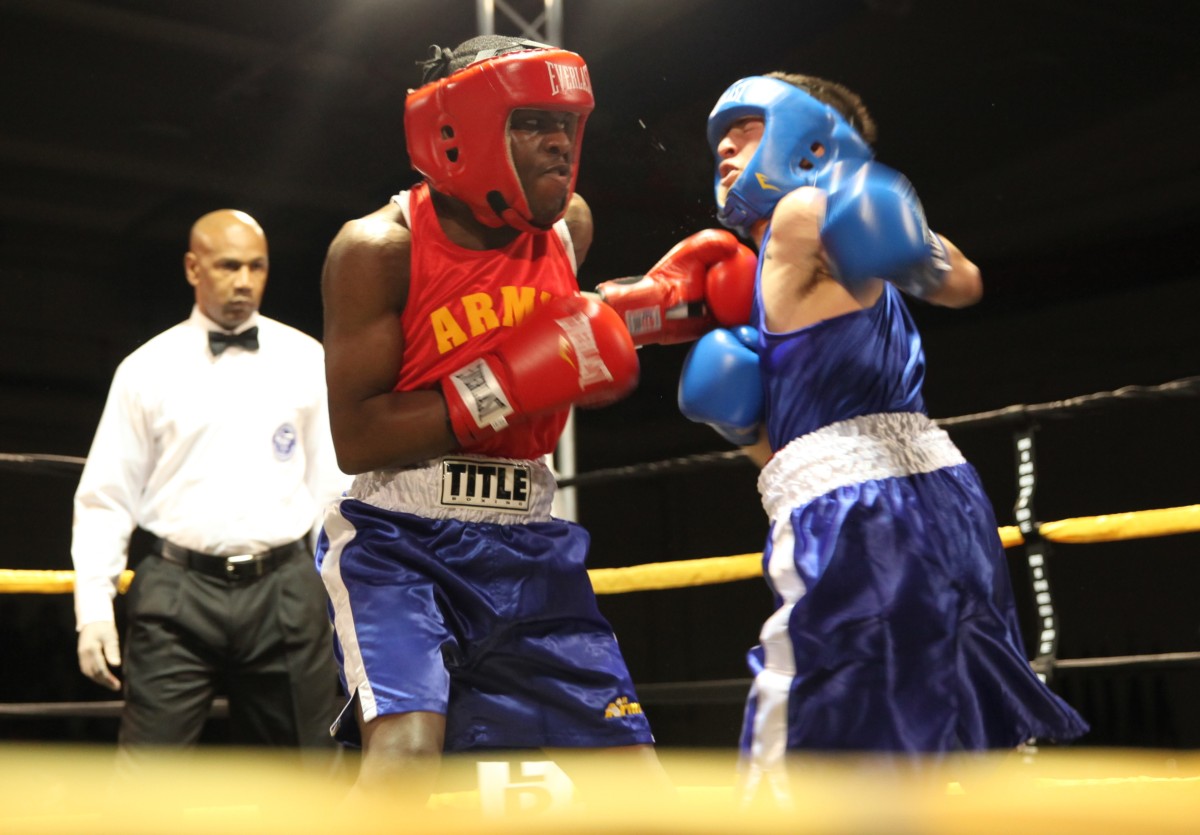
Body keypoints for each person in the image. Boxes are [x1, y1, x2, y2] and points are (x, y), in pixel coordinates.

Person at [318, 36, 746, 806]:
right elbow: (358, 436)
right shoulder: (380, 248)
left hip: (530, 536)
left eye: (568, 121)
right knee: (406, 757)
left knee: (637, 784)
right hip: (401, 540)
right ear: (456, 132)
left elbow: (561, 329)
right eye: (532, 121)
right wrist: (507, 384)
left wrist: (648, 311)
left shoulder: (567, 227)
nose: (560, 141)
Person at [677, 73, 1089, 801]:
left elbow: (960, 280)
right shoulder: (798, 247)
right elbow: (790, 451)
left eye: (747, 128)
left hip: (855, 516)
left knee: (802, 735)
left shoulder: (809, 209)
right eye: (722, 136)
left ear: (809, 139)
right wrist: (742, 423)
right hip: (946, 499)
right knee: (945, 736)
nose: (726, 146)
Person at [72, 209, 348, 772]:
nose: (244, 281)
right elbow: (107, 495)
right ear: (193, 268)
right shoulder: (146, 368)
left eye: (256, 266)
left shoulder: (305, 358)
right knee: (147, 777)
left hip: (285, 589)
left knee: (308, 774)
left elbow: (334, 490)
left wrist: (349, 597)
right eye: (228, 266)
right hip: (177, 590)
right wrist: (93, 610)